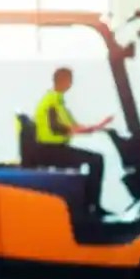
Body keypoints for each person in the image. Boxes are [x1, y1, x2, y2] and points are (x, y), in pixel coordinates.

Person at [32, 67, 113, 214]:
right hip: (50, 150)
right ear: (65, 81)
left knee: (92, 159)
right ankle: (93, 207)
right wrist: (93, 128)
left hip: (55, 148)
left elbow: (73, 126)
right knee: (97, 160)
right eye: (70, 80)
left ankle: (88, 205)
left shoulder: (57, 100)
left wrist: (98, 127)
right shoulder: (52, 101)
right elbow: (60, 128)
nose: (71, 83)